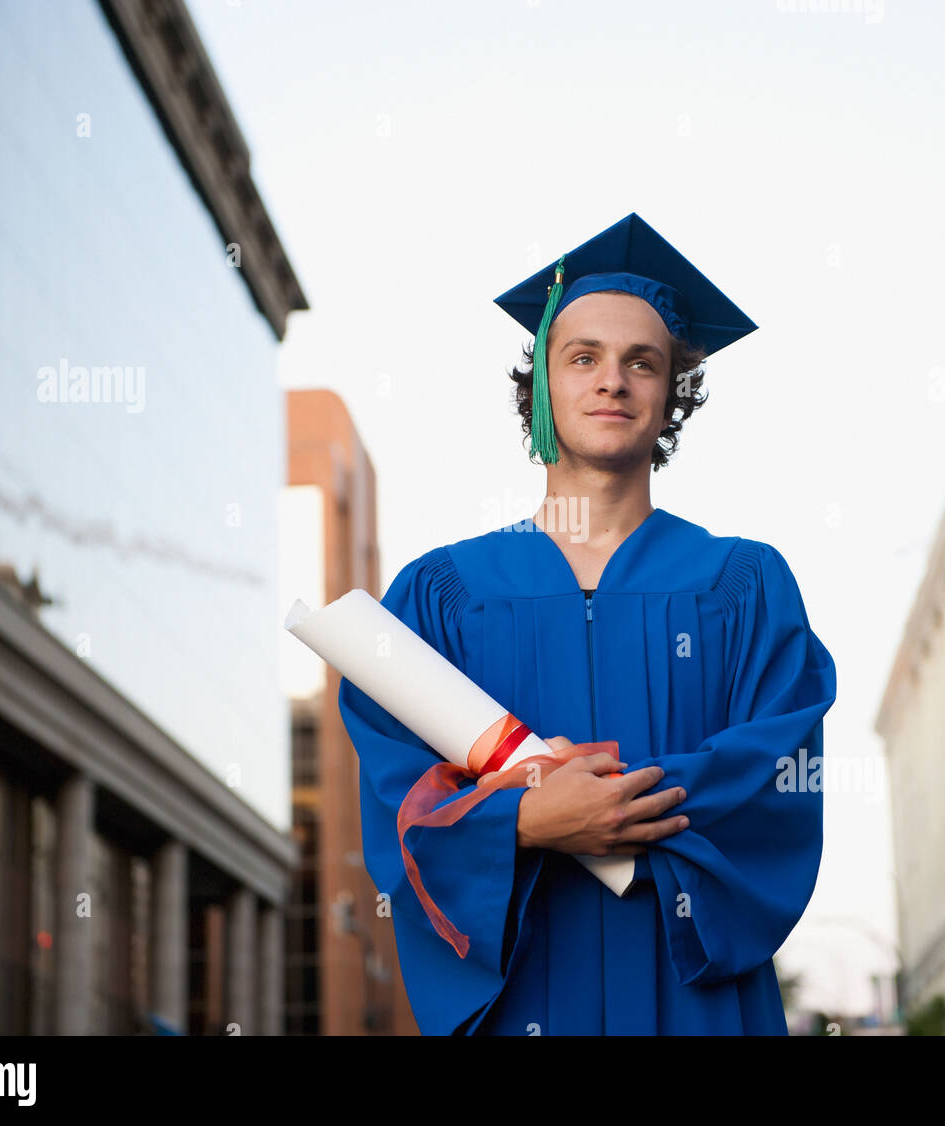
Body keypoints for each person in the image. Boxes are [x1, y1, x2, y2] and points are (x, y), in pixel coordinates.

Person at [338, 213, 837, 1035]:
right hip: (525, 994)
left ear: (672, 392)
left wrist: (610, 808)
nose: (613, 380)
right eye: (583, 358)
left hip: (695, 1000)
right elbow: (399, 797)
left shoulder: (747, 586)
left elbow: (777, 780)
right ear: (541, 386)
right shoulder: (441, 595)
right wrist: (526, 821)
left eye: (643, 362)